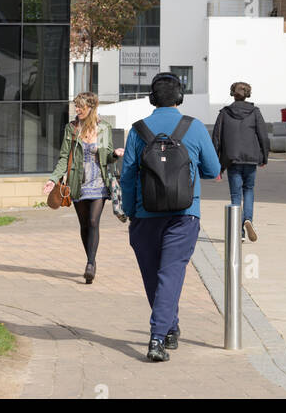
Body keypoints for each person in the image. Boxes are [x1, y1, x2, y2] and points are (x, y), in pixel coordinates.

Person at [120, 72, 220, 362]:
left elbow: (127, 176)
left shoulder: (137, 130)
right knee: (171, 273)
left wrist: (129, 211)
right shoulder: (195, 127)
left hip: (144, 213)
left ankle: (163, 330)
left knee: (154, 275)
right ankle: (160, 335)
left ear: (152, 99)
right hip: (184, 214)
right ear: (180, 98)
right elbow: (213, 170)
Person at [43, 92, 124, 284]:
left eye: (81, 106)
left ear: (91, 108)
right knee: (84, 224)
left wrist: (115, 153)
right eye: (76, 106)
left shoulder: (104, 128)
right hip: (78, 182)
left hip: (99, 182)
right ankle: (91, 259)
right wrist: (54, 179)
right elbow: (64, 156)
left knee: (94, 221)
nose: (77, 109)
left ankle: (90, 264)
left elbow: (107, 157)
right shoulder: (72, 129)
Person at [211, 82, 269, 242]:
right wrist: (264, 157)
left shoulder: (224, 113)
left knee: (236, 195)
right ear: (248, 94)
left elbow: (216, 138)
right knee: (249, 189)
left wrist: (217, 166)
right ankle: (248, 220)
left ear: (232, 94)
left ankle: (239, 232)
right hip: (251, 158)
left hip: (232, 159)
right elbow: (263, 136)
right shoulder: (255, 112)